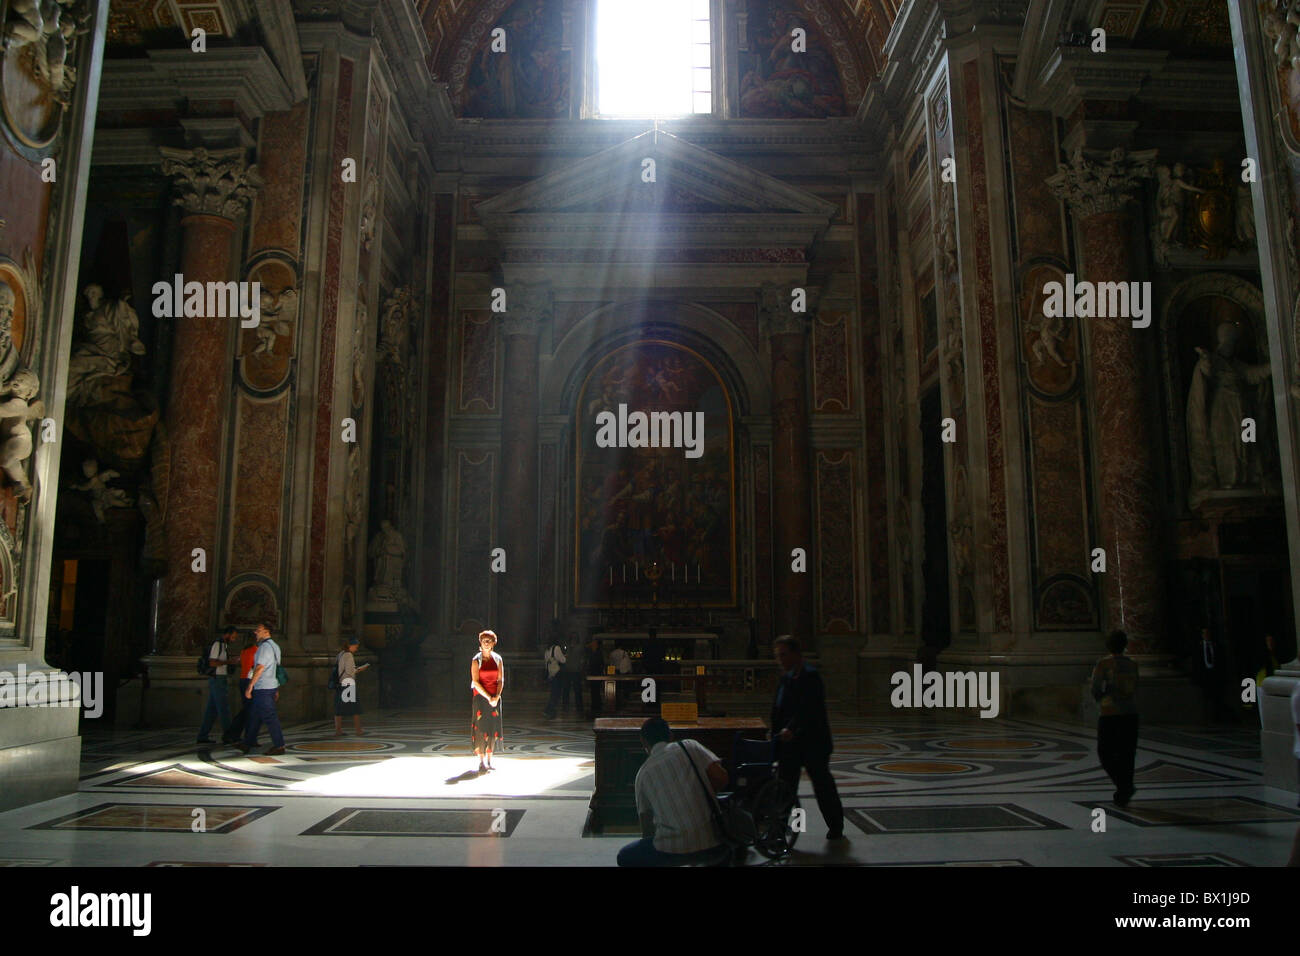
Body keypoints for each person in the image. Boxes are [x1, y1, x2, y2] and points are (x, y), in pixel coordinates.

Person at [617, 717, 728, 866]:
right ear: (670, 735)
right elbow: (722, 778)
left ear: (643, 742)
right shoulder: (690, 746)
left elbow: (647, 826)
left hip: (669, 851)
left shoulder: (642, 775)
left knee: (625, 856)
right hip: (712, 842)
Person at [771, 635, 845, 840]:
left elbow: (809, 709)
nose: (780, 660)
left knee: (822, 786)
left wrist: (792, 728)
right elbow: (779, 708)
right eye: (778, 656)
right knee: (786, 789)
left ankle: (836, 825)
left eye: (784, 655)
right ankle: (784, 830)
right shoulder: (785, 678)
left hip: (813, 742)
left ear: (796, 654)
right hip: (790, 744)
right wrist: (776, 731)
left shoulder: (811, 676)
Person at [1091, 629, 1140, 807]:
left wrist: (1102, 697)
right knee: (1127, 753)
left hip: (1110, 712)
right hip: (1131, 713)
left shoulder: (1104, 664)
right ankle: (1124, 787)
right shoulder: (1133, 663)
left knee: (1104, 751)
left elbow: (1095, 688)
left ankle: (1124, 786)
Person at [235, 623, 285, 755]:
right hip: (270, 685)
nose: (255, 632)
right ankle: (248, 742)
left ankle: (279, 745)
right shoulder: (275, 647)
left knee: (270, 716)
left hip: (263, 687)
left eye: (258, 630)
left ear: (266, 632)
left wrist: (250, 686)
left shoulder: (264, 648)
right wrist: (276, 688)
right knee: (255, 716)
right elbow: (275, 669)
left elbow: (260, 668)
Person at [471, 630, 504, 772]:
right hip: (481, 698)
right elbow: (476, 681)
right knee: (480, 728)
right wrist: (488, 697)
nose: (486, 642)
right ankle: (481, 760)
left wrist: (496, 696)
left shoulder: (498, 659)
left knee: (493, 728)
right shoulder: (476, 660)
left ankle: (490, 760)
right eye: (484, 640)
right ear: (480, 642)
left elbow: (500, 679)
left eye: (489, 640)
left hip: (494, 698)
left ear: (493, 643)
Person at [197, 626, 235, 746]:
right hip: (217, 678)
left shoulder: (224, 645)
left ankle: (202, 735)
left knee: (211, 710)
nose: (234, 639)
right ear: (227, 634)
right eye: (233, 636)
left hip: (220, 678)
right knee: (224, 708)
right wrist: (229, 662)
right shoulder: (217, 645)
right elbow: (212, 662)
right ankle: (228, 735)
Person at [333, 636, 370, 737]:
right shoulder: (349, 655)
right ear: (350, 646)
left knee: (339, 708)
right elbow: (350, 671)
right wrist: (361, 669)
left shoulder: (340, 654)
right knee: (355, 708)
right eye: (356, 646)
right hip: (349, 683)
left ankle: (338, 730)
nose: (356, 648)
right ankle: (359, 730)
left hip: (341, 683)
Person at [1194, 626, 1229, 722]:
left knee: (1216, 698)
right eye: (1204, 633)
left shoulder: (1216, 646)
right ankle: (1206, 719)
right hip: (1204, 676)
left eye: (1208, 633)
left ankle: (1216, 718)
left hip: (1215, 675)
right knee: (1205, 698)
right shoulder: (1199, 647)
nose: (1206, 635)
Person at [542, 634, 567, 719]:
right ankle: (549, 711)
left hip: (551, 675)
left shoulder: (547, 650)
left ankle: (549, 711)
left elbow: (546, 664)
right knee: (556, 694)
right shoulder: (556, 648)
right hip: (557, 674)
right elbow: (563, 660)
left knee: (553, 693)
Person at [562, 631, 585, 717]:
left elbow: (582, 658)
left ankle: (579, 707)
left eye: (575, 637)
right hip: (567, 670)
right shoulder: (567, 646)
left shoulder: (579, 647)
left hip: (576, 671)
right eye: (572, 637)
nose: (573, 639)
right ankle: (565, 706)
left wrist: (581, 666)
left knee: (577, 690)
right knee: (566, 690)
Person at [586, 637, 605, 718]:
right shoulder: (591, 652)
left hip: (597, 674)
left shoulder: (598, 653)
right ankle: (595, 706)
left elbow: (600, 663)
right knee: (593, 691)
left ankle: (597, 706)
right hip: (592, 674)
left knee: (596, 691)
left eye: (594, 642)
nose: (592, 643)